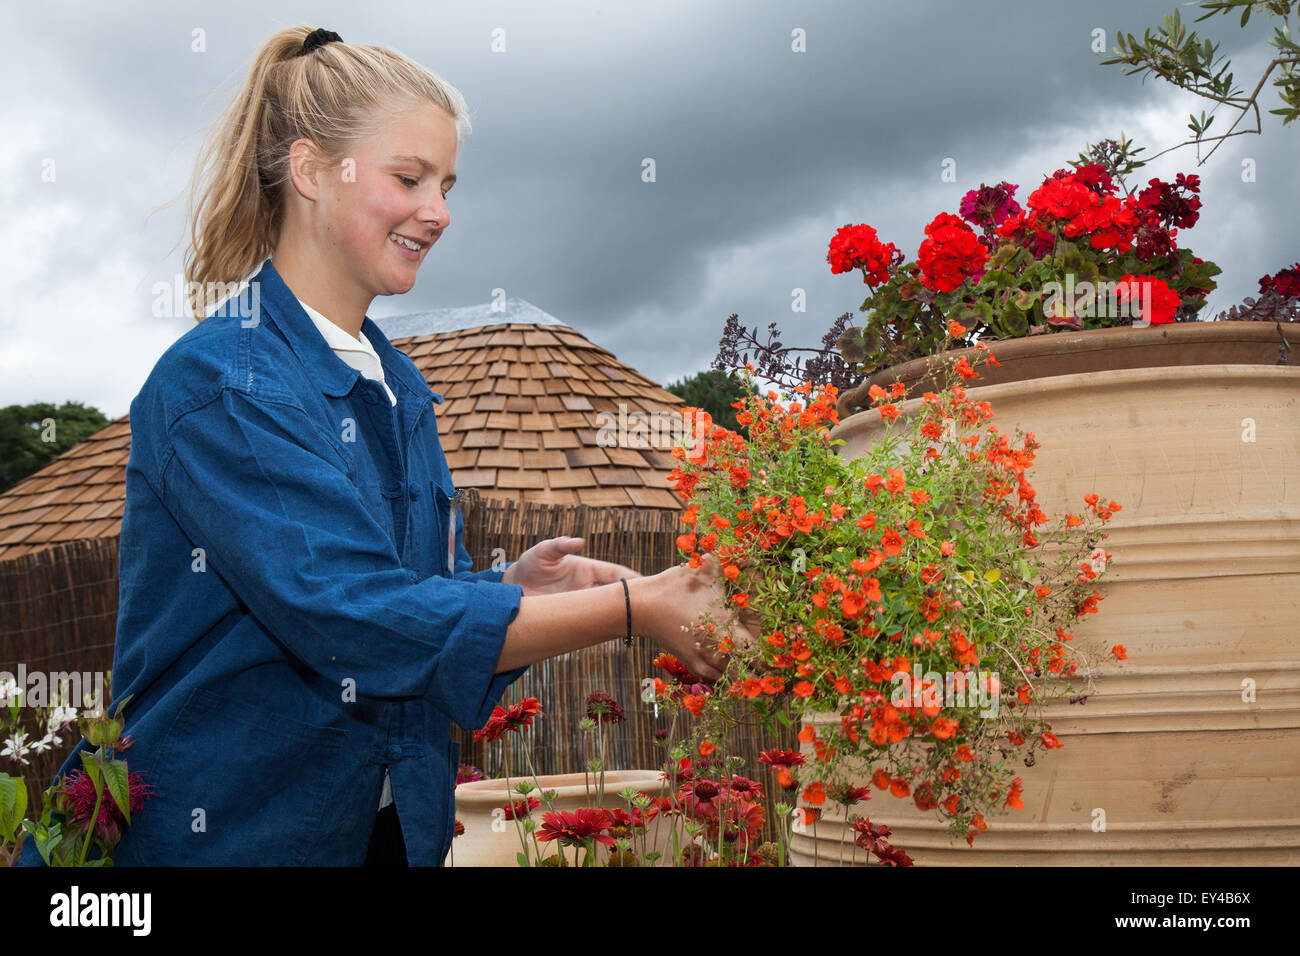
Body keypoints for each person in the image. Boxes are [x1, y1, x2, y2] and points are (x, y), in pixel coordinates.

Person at [20, 26, 740, 867]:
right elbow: (351, 616)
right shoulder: (225, 385)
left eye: (447, 184)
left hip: (385, 827)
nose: (438, 212)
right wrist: (633, 607)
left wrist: (513, 586)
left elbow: (407, 606)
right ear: (313, 171)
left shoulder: (397, 385)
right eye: (410, 178)